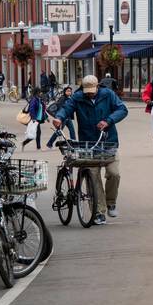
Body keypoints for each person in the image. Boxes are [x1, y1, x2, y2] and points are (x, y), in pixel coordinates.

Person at [52, 74, 128, 225]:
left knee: (114, 173)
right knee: (93, 176)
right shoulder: (78, 97)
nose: (90, 94)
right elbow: (66, 108)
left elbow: (122, 109)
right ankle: (99, 212)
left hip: (108, 142)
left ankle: (111, 202)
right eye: (87, 92)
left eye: (92, 91)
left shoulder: (108, 94)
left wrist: (108, 121)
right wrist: (59, 117)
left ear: (98, 87)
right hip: (87, 143)